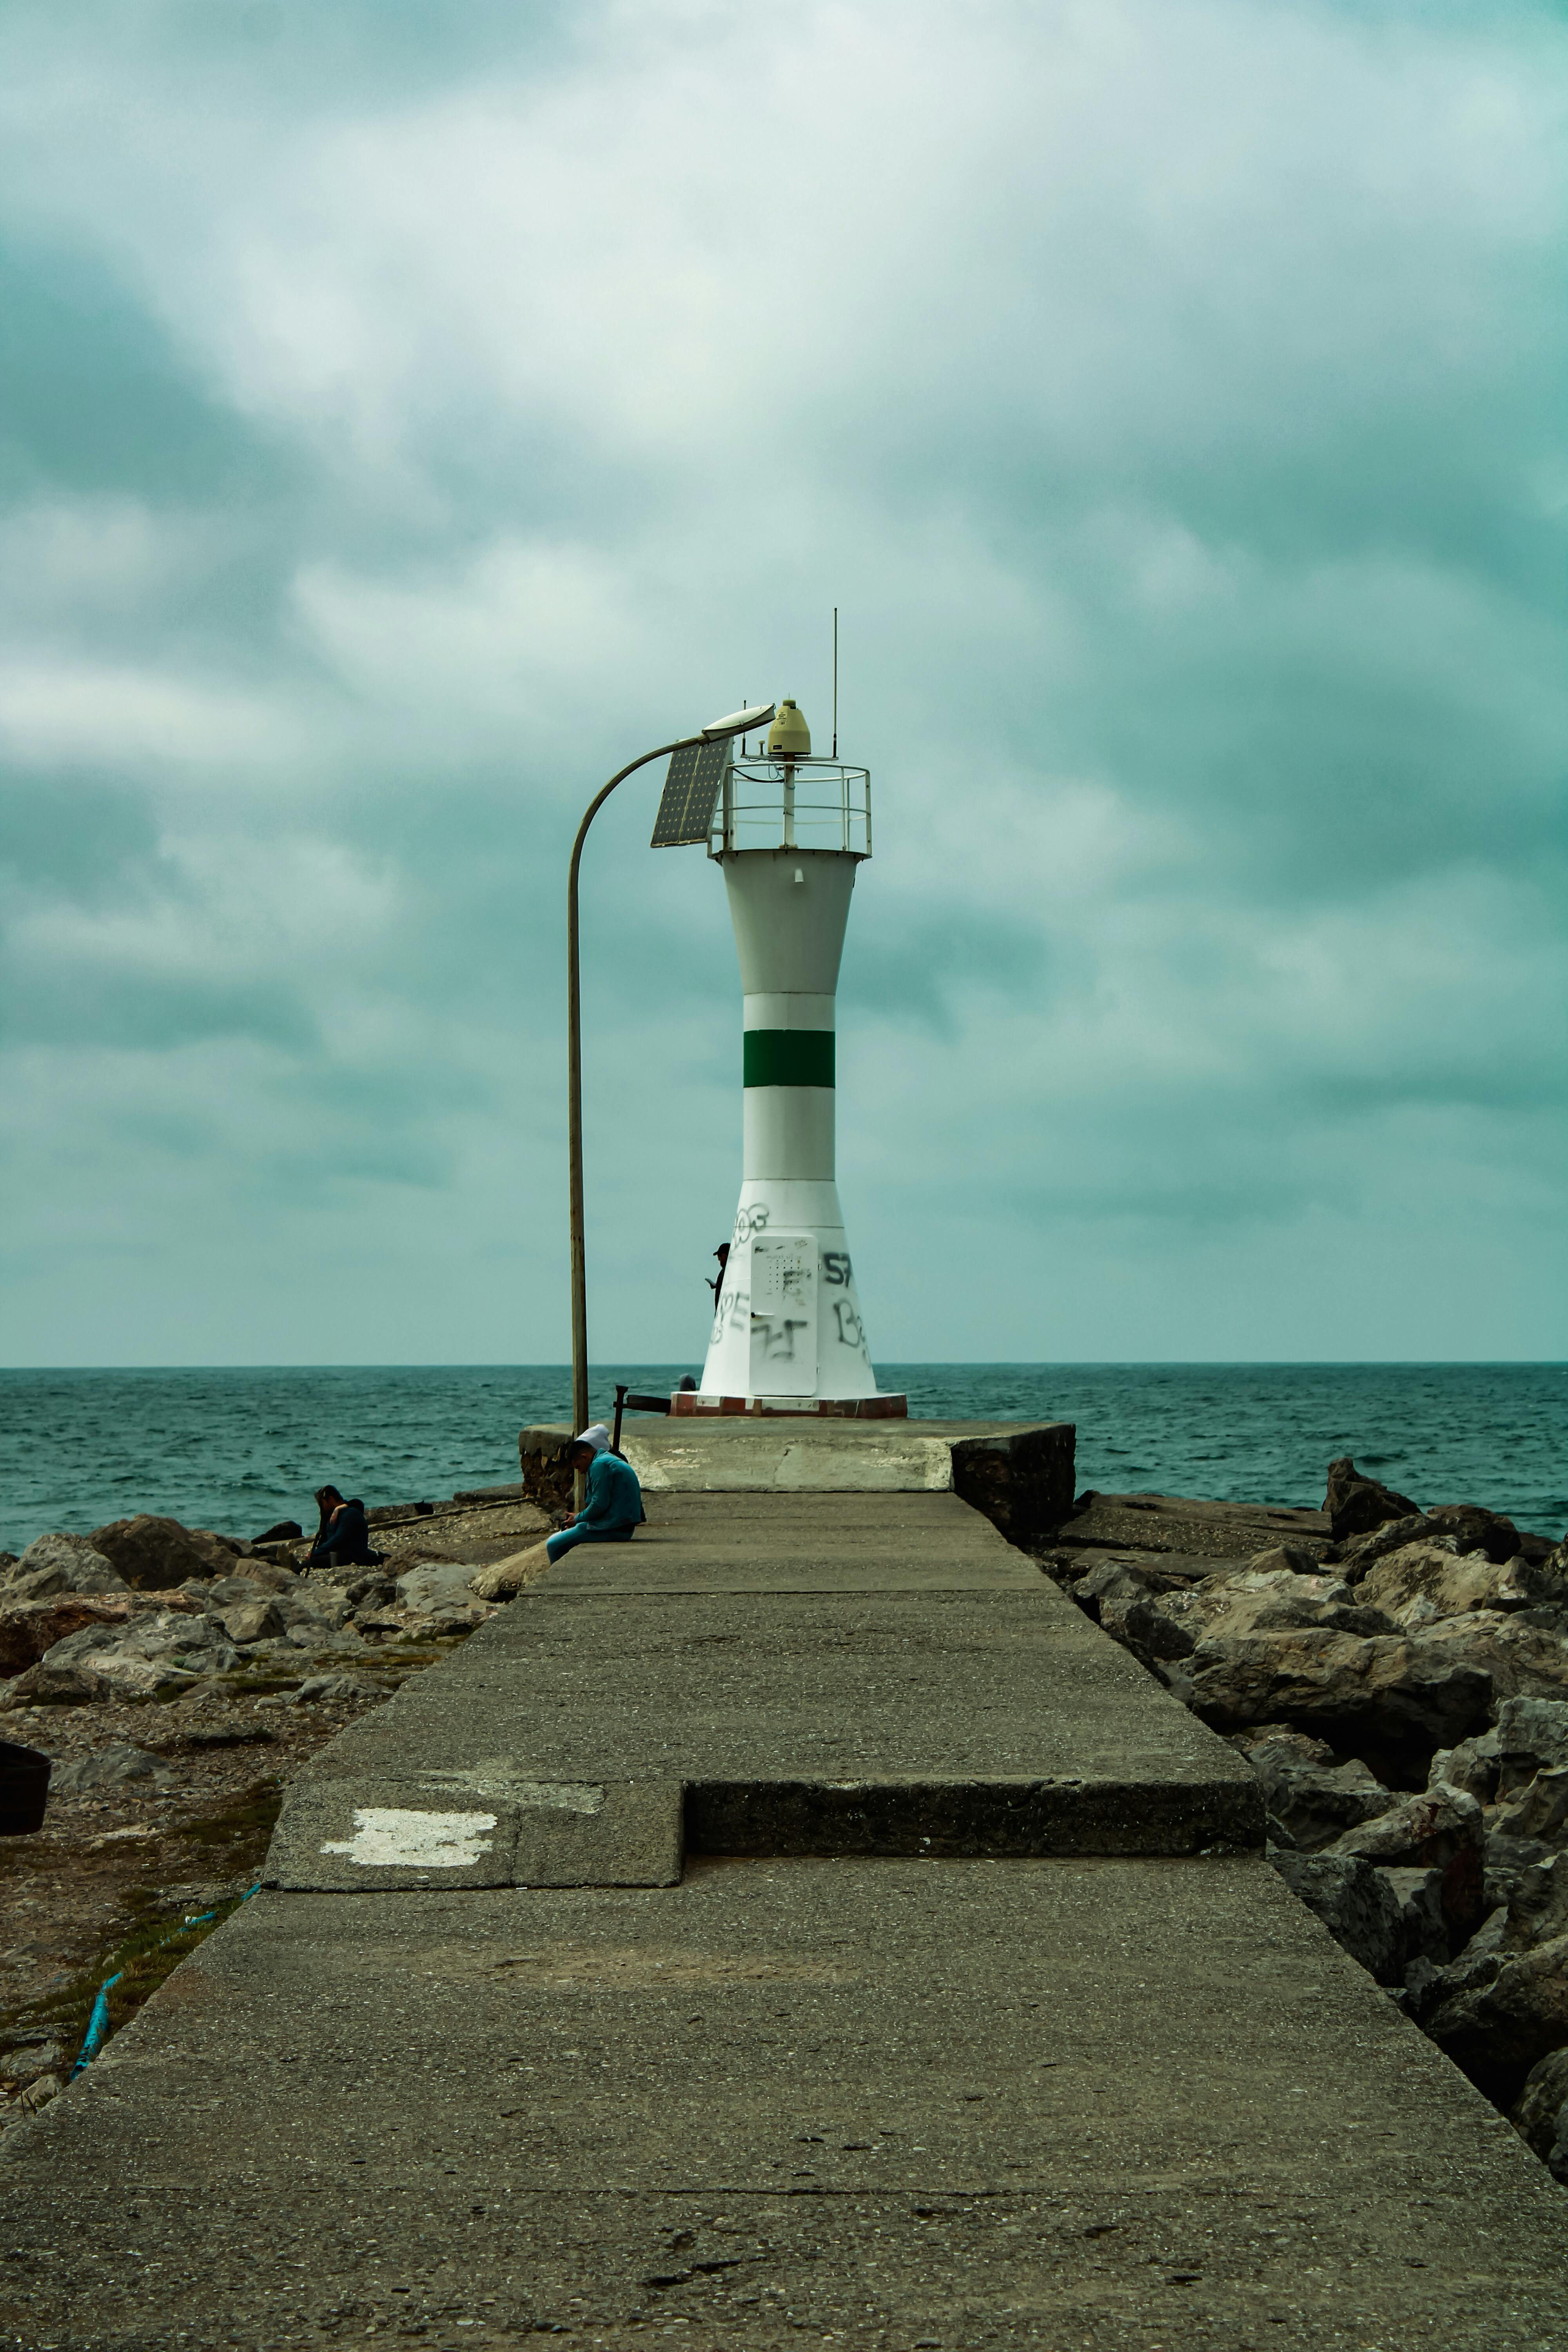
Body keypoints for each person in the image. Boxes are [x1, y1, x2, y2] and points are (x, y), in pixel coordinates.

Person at [544, 1424, 644, 1564]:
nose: (580, 1472)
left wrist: (578, 1519)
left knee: (553, 1544)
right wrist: (579, 1518)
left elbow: (599, 1504)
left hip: (615, 1529)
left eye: (578, 1467)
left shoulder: (599, 1465)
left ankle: (557, 1579)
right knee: (565, 1535)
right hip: (622, 1526)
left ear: (584, 1457)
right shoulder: (609, 1460)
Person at [308, 1484, 378, 1569]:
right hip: (339, 1555)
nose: (321, 1508)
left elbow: (338, 1539)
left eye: (322, 1504)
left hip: (351, 1557)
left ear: (331, 1499)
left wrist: (316, 1553)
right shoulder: (329, 1516)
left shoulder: (350, 1514)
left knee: (305, 1566)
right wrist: (316, 1552)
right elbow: (324, 1538)